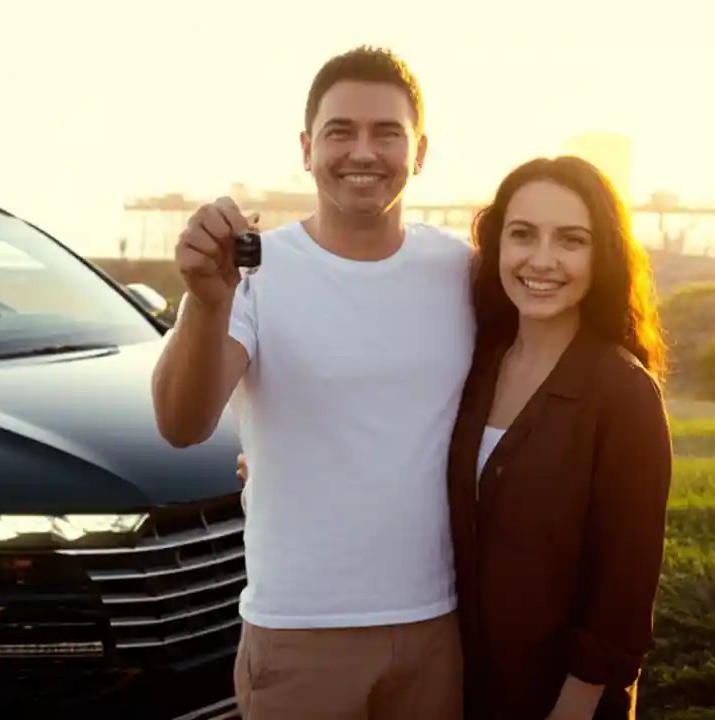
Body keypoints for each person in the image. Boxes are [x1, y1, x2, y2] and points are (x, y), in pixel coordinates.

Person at [237, 155, 674, 719]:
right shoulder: (479, 362)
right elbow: (401, 432)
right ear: (496, 247)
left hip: (563, 699)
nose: (542, 260)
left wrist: (575, 705)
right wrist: (283, 460)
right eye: (522, 236)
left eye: (571, 240)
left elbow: (625, 589)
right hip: (460, 681)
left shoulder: (622, 392)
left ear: (603, 255)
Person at [152, 46, 472, 719]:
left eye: (387, 132)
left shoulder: (461, 272)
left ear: (420, 152)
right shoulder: (255, 274)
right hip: (299, 629)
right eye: (339, 131)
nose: (363, 151)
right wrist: (206, 303)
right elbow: (182, 425)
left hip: (436, 622)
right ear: (306, 148)